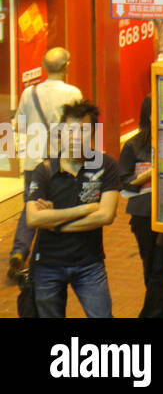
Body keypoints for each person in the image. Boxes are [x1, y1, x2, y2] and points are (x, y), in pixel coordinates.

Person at [23, 100, 121, 318]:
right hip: (48, 265)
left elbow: (106, 215)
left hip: (89, 264)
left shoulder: (106, 166)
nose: (76, 137)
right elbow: (33, 219)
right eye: (70, 131)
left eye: (83, 131)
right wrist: (86, 209)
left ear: (93, 133)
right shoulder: (44, 170)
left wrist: (55, 223)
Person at [8, 47, 83, 281]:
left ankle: (20, 250)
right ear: (66, 67)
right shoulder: (73, 93)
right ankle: (56, 253)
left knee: (31, 204)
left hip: (33, 160)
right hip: (59, 161)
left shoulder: (28, 94)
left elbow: (18, 126)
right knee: (61, 203)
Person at [119, 95, 163, 317]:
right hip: (143, 213)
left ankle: (151, 313)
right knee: (151, 265)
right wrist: (149, 175)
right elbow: (123, 183)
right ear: (148, 115)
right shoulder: (133, 145)